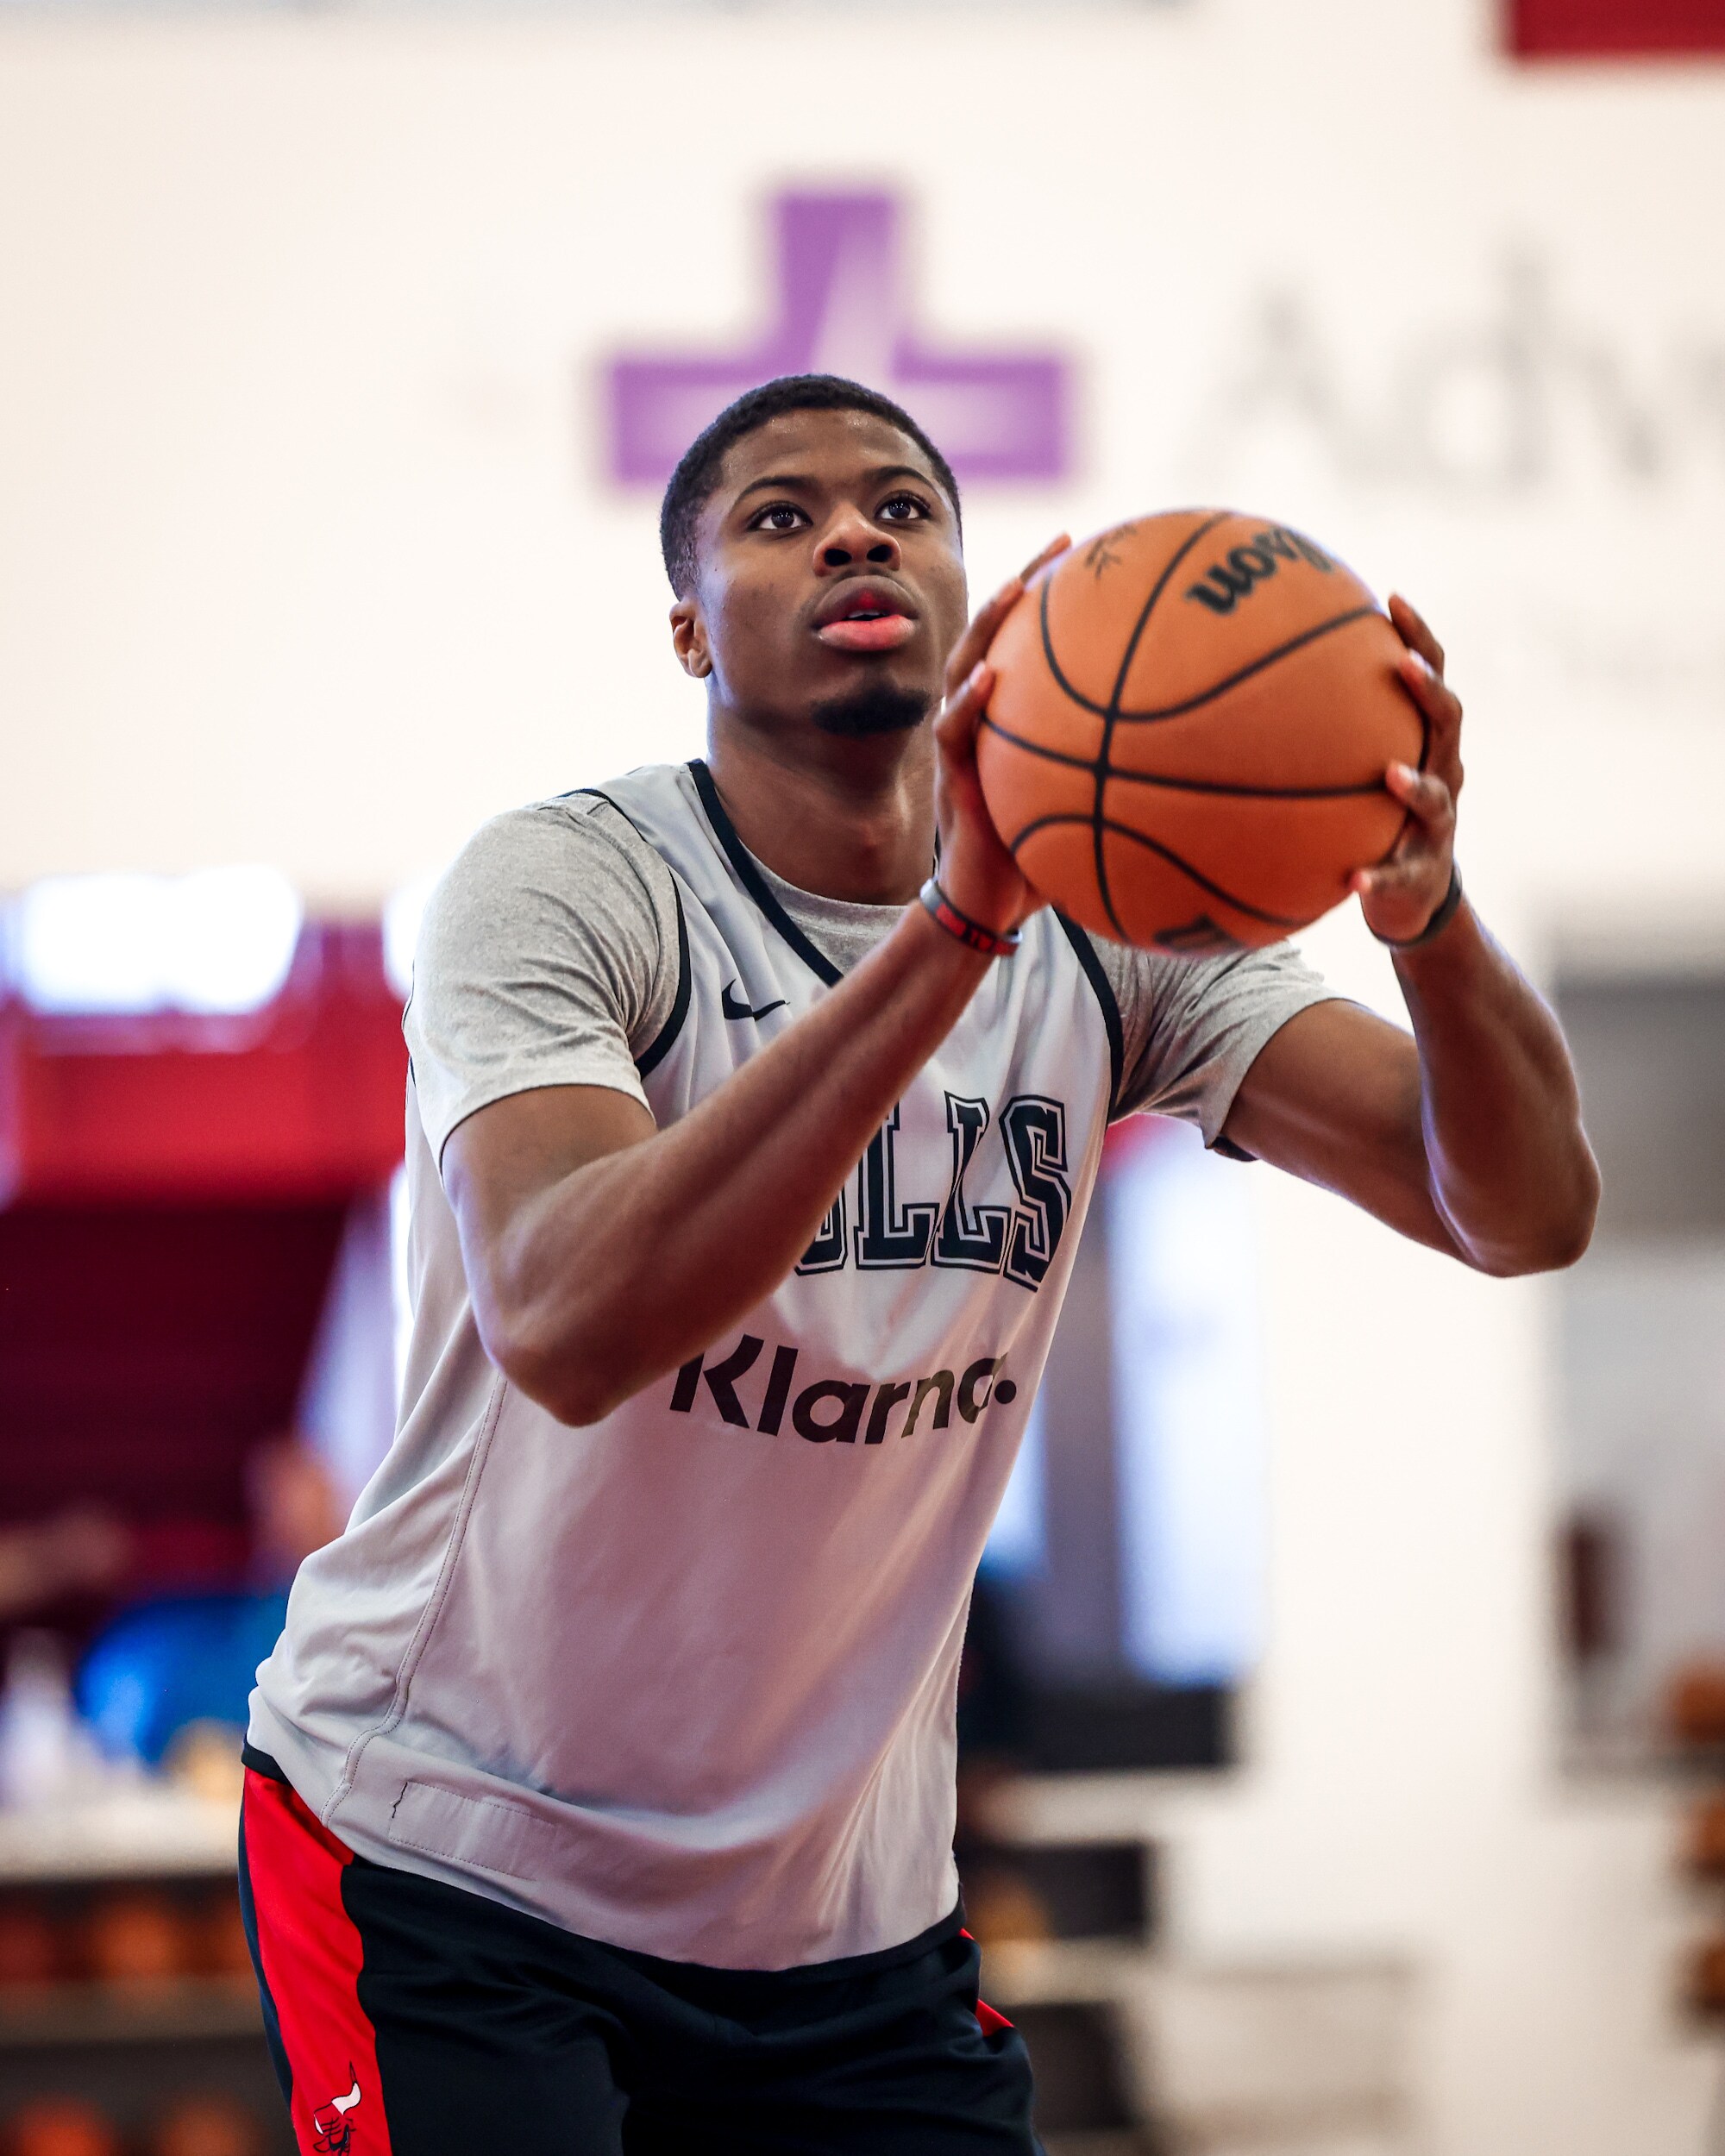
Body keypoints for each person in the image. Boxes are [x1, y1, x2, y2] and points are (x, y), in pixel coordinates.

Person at [240, 373, 1598, 2154]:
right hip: (454, 1859)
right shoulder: (568, 887)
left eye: (900, 506)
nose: (854, 534)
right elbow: (567, 1321)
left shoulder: (1112, 933)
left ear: (981, 601)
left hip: (834, 1916)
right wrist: (957, 927)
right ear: (685, 626)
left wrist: (1422, 914)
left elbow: (1515, 1206)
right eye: (778, 518)